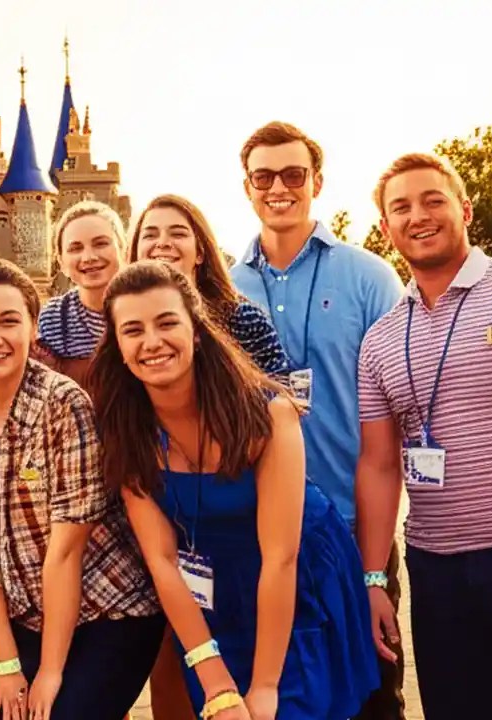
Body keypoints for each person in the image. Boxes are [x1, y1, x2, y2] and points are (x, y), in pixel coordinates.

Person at [96, 260, 378, 720]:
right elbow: (162, 560)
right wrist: (216, 680)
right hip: (208, 590)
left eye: (167, 322)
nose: (152, 341)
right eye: (133, 330)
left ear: (197, 331)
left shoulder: (267, 415)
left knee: (289, 708)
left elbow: (280, 557)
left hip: (294, 576)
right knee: (222, 707)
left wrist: (265, 686)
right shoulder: (126, 429)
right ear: (119, 348)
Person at [0, 258, 165, 720]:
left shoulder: (63, 403)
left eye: (9, 321)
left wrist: (50, 672)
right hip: (14, 611)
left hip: (106, 608)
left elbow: (65, 554)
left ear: (33, 330)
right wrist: (7, 666)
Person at [356, 153, 492, 718]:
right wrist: (372, 580)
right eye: (401, 208)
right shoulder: (382, 339)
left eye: (432, 200)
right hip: (438, 570)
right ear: (387, 230)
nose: (419, 216)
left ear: (463, 209)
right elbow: (379, 465)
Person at [227, 121, 405, 720]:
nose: (279, 187)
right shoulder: (224, 289)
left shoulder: (369, 276)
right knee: (283, 695)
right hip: (257, 533)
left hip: (355, 525)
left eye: (293, 174)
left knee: (375, 696)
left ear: (317, 182)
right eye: (264, 176)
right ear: (247, 188)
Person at [130, 194, 287, 376]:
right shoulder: (121, 322)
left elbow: (283, 391)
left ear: (200, 253)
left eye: (178, 234)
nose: (163, 243)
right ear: (136, 253)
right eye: (150, 235)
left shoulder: (242, 320)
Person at [35, 200, 126, 387]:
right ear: (61, 261)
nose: (89, 257)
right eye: (75, 248)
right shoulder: (54, 318)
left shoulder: (145, 306)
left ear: (122, 248)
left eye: (100, 244)